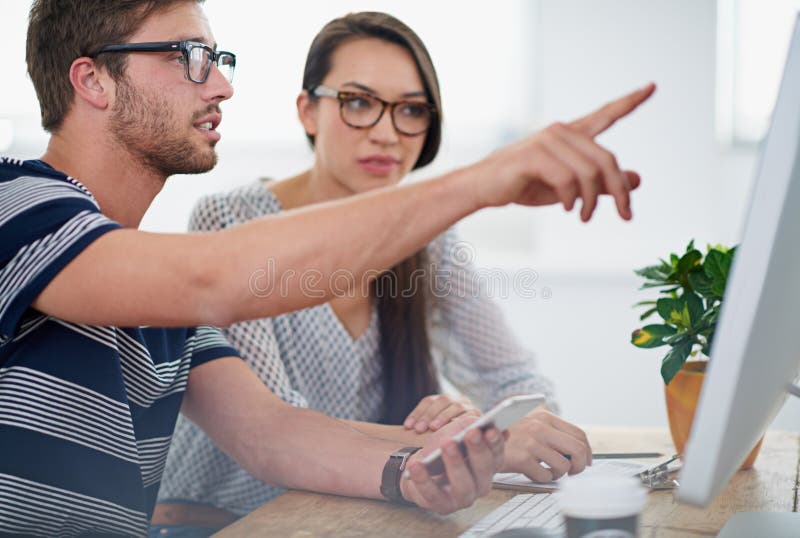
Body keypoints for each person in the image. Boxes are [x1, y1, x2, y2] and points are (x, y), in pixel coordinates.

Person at [0, 0, 653, 535]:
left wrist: (427, 464)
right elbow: (218, 279)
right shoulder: (16, 203)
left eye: (218, 61)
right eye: (189, 57)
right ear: (92, 80)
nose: (223, 85)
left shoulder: (153, 293)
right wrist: (486, 179)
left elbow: (274, 434)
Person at [157, 12, 601, 524]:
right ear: (308, 111)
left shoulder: (427, 239)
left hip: (348, 519)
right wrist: (466, 440)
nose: (388, 134)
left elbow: (517, 380)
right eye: (359, 103)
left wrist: (476, 423)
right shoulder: (230, 221)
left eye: (411, 110)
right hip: (218, 521)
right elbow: (280, 427)